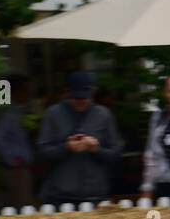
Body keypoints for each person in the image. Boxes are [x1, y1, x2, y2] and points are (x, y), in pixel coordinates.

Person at [35, 71, 124, 206]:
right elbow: (42, 153)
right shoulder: (53, 114)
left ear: (93, 92)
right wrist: (66, 147)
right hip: (60, 196)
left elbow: (116, 154)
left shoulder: (104, 115)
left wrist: (97, 149)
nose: (81, 101)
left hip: (95, 194)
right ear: (68, 92)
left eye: (85, 97)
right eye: (76, 97)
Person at [0, 74, 34, 209]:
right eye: (26, 90)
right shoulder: (9, 113)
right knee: (19, 209)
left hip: (19, 168)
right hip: (16, 170)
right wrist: (13, 159)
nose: (29, 93)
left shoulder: (19, 112)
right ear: (18, 92)